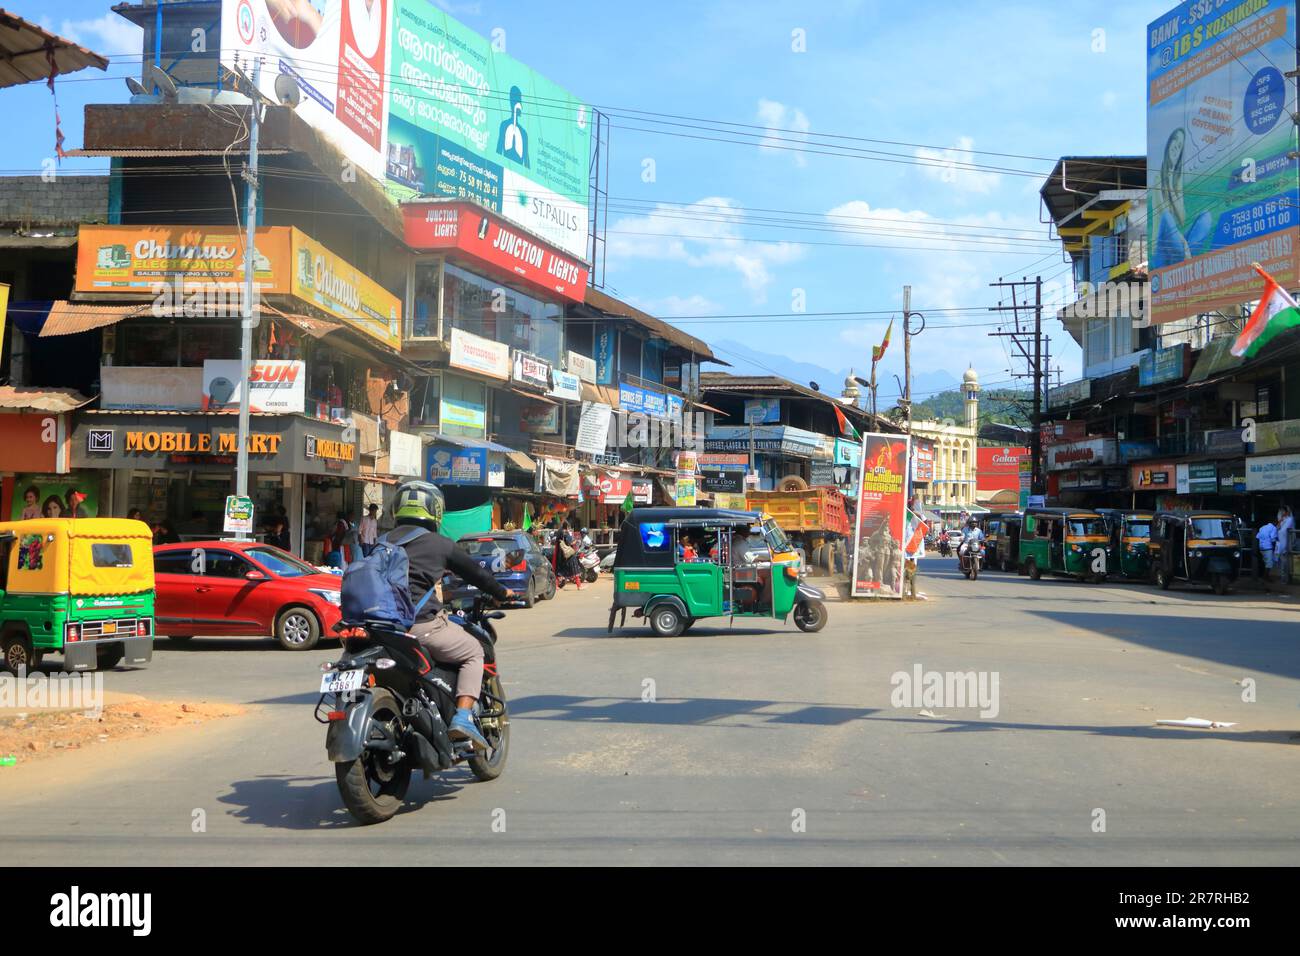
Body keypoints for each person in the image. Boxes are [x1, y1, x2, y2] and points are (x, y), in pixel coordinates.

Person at [388, 480, 514, 750]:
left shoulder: (380, 542)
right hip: (420, 626)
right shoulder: (440, 544)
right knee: (473, 652)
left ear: (396, 509)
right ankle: (464, 717)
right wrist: (502, 593)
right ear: (435, 511)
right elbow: (477, 574)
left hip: (381, 629)